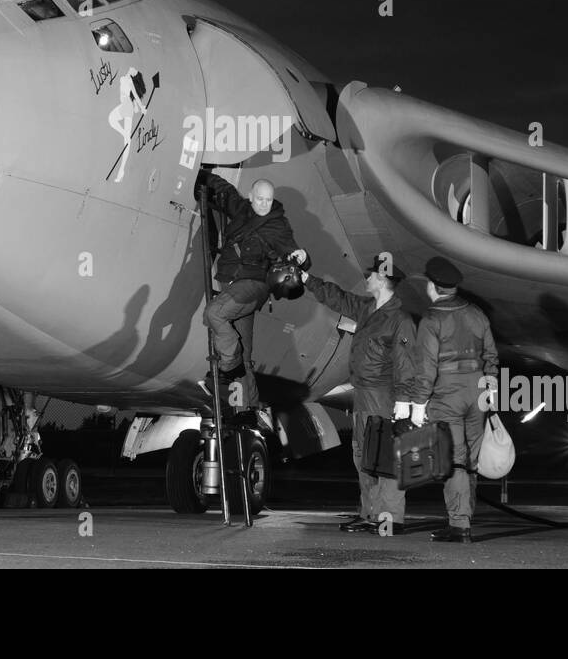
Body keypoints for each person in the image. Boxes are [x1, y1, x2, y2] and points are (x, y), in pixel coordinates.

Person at [302, 254, 416, 534]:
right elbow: (336, 298)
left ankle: (389, 518)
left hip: (383, 396)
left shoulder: (400, 320)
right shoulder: (367, 309)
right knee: (363, 456)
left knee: (385, 457)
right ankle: (370, 514)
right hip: (363, 394)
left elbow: (406, 361)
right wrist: (306, 278)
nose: (367, 278)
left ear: (383, 280)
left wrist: (404, 400)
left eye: (372, 275)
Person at [403, 257, 498, 543]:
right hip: (478, 388)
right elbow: (491, 355)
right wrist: (490, 388)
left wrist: (418, 405)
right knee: (471, 458)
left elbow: (426, 367)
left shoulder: (432, 319)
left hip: (447, 392)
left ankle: (459, 525)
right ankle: (464, 517)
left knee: (454, 459)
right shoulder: (477, 313)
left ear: (432, 286)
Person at [197, 171, 309, 396]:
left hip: (253, 285)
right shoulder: (240, 208)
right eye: (260, 199)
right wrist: (201, 176)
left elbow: (292, 251)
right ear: (250, 196)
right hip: (232, 284)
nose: (264, 204)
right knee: (246, 356)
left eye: (268, 200)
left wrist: (302, 258)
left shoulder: (277, 226)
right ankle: (248, 409)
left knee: (214, 314)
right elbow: (225, 190)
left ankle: (229, 366)